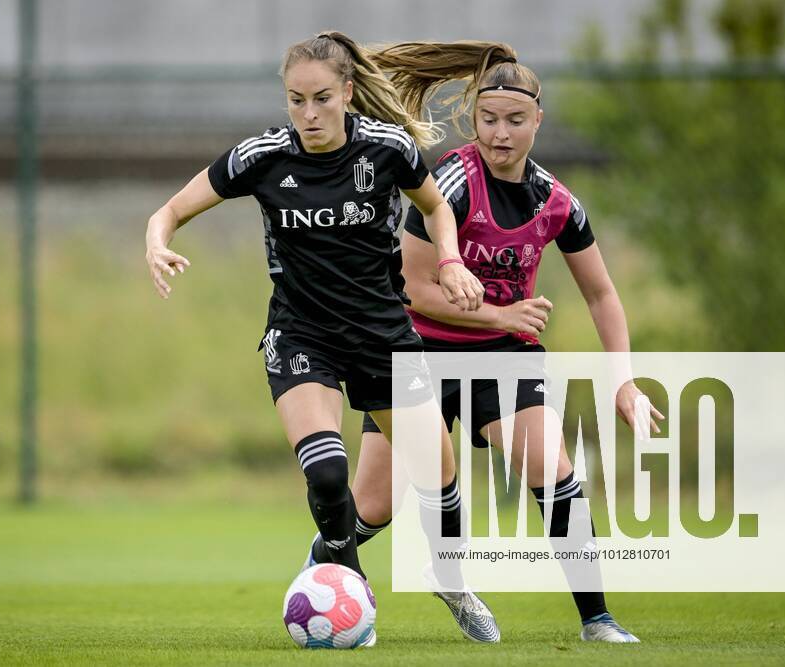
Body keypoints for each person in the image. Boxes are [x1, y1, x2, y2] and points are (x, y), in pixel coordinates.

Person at [305, 40, 664, 643]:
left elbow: (603, 295)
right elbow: (411, 287)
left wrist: (623, 380)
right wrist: (503, 313)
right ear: (474, 119)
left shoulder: (556, 202)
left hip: (502, 357)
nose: (501, 134)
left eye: (515, 121)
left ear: (538, 120)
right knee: (374, 507)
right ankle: (322, 575)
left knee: (552, 469)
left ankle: (597, 620)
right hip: (415, 351)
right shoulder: (450, 183)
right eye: (489, 119)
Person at [144, 31, 495, 647]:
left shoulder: (387, 148)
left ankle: (450, 579)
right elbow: (169, 211)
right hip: (302, 334)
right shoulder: (262, 156)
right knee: (328, 474)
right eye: (296, 99)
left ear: (348, 93)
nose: (308, 113)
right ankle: (350, 592)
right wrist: (156, 243)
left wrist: (449, 259)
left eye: (321, 99)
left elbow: (437, 207)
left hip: (383, 336)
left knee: (439, 481)